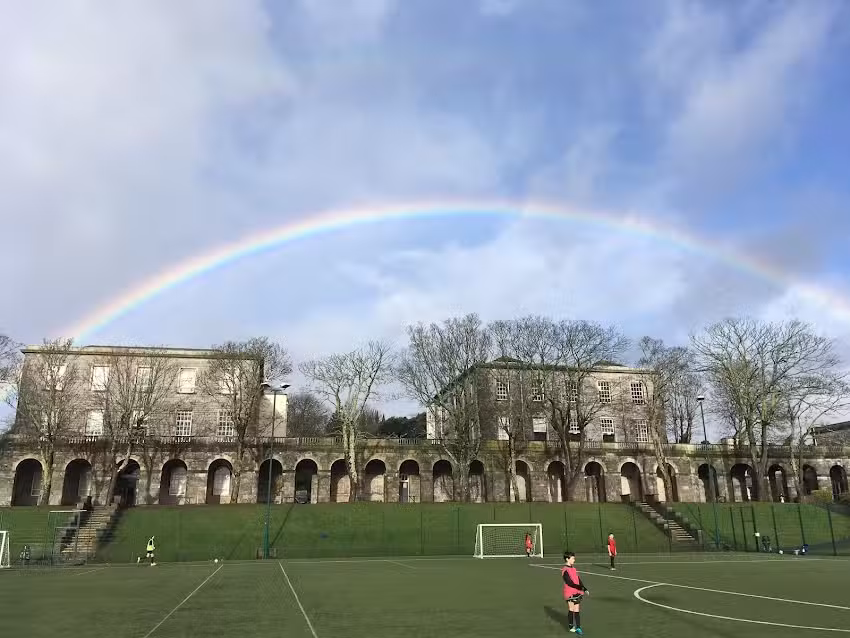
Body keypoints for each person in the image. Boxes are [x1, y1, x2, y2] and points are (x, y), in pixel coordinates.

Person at [562, 551, 589, 635]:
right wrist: (579, 587)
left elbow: (578, 580)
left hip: (577, 591)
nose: (574, 559)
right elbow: (569, 582)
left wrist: (584, 588)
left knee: (577, 610)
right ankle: (571, 626)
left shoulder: (574, 569)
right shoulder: (565, 570)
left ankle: (578, 627)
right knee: (571, 609)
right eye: (572, 558)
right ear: (567, 559)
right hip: (570, 592)